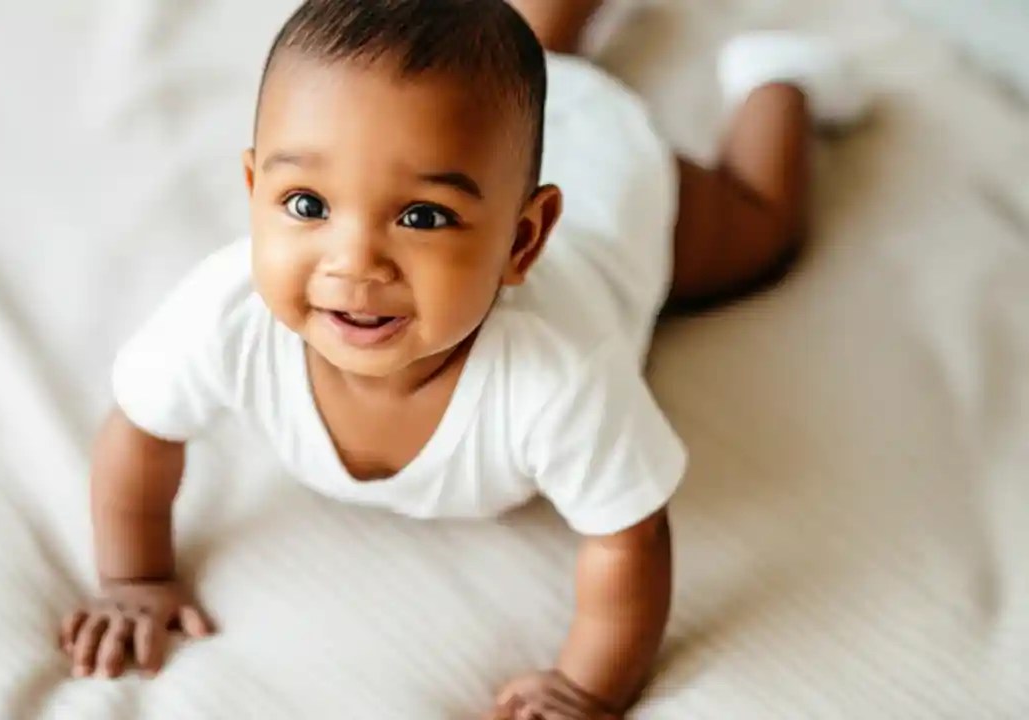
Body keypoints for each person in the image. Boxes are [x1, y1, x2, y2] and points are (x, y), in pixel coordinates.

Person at [58, 1, 871, 716]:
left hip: (611, 187)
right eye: (306, 204)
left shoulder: (558, 377)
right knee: (504, 66)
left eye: (421, 216)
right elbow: (139, 432)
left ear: (523, 241)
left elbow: (629, 540)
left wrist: (587, 690)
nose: (353, 263)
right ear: (253, 191)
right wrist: (134, 578)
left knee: (759, 234)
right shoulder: (226, 310)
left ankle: (778, 80)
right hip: (491, 128)